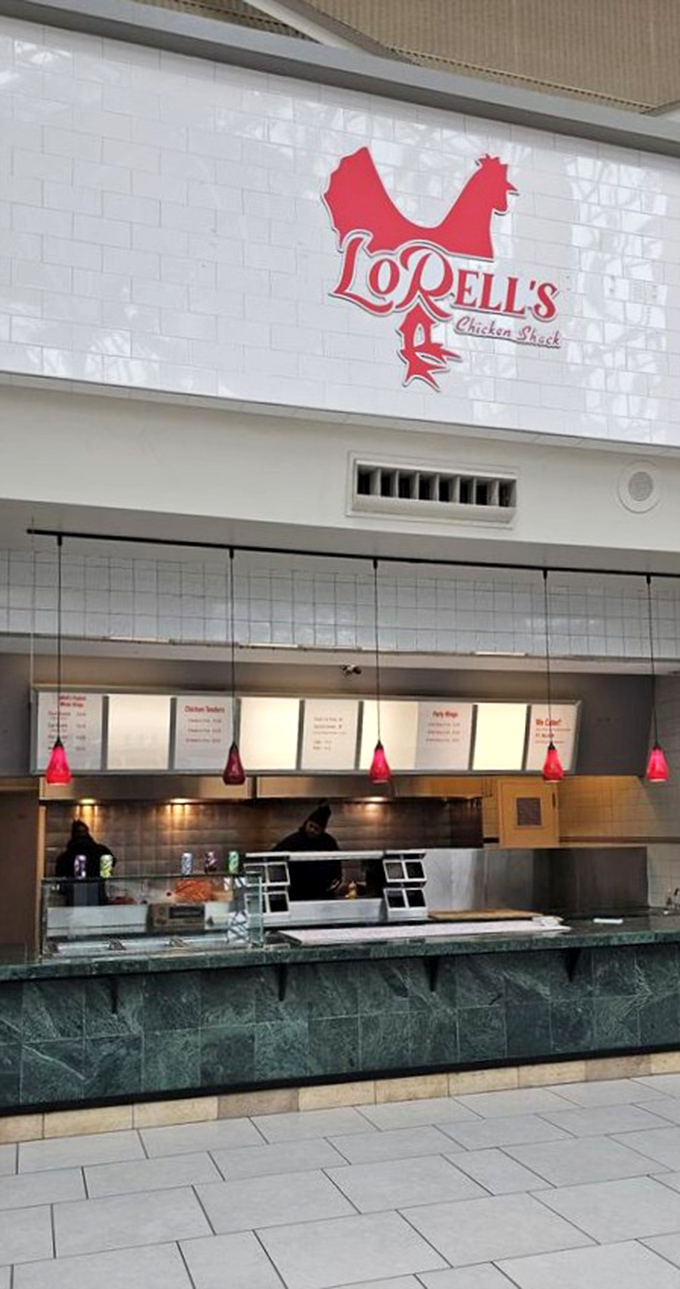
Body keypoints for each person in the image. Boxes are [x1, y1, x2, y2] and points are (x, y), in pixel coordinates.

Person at [273, 802, 342, 901]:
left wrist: (334, 883)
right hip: (297, 894)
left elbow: (337, 867)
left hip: (322, 895)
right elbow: (274, 855)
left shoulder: (329, 843)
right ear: (306, 823)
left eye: (316, 829)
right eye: (311, 826)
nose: (312, 830)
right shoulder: (293, 841)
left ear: (322, 830)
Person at [55, 820, 116, 905]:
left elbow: (60, 883)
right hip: (98, 897)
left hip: (75, 899)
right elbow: (107, 873)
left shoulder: (66, 857)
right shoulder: (101, 851)